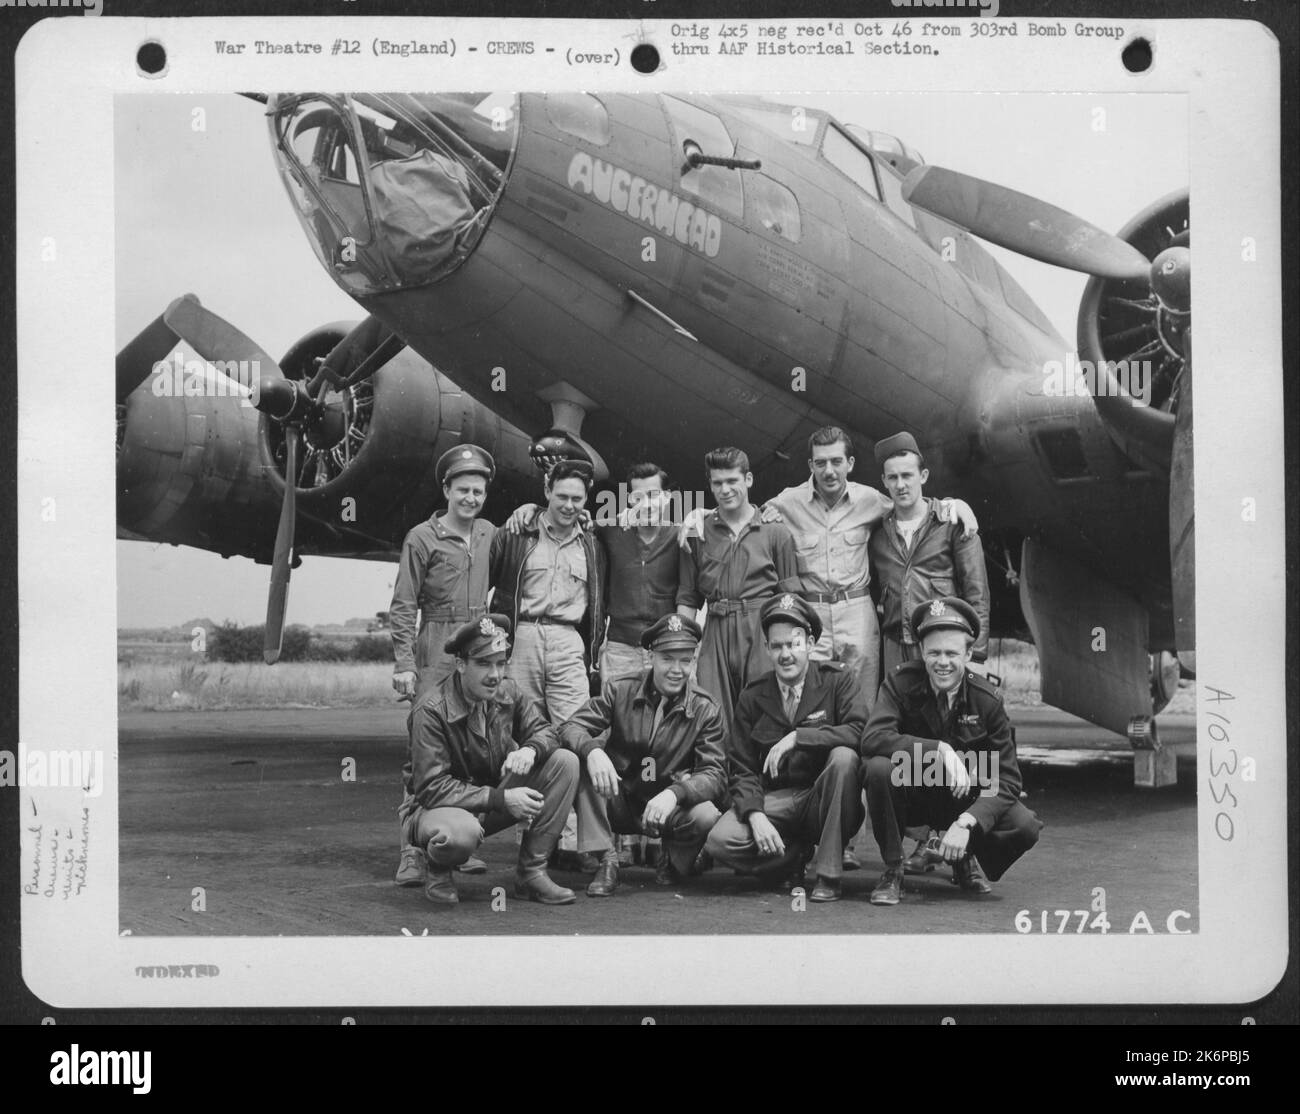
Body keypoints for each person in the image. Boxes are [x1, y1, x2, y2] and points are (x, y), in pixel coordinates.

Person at [860, 597, 1042, 906]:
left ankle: (964, 856)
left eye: (951, 653)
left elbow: (1008, 780)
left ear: (969, 653)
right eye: (934, 652)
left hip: (962, 799)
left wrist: (967, 822)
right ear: (921, 651)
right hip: (915, 792)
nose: (942, 662)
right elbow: (873, 738)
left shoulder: (987, 700)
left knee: (1023, 825)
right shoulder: (900, 683)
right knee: (878, 768)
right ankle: (893, 869)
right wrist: (939, 749)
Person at [405, 614, 581, 906]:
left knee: (565, 762)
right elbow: (431, 788)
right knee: (462, 833)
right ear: (461, 664)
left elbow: (548, 731)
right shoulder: (431, 711)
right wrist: (502, 798)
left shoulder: (507, 692)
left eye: (501, 663)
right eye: (484, 663)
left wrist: (531, 749)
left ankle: (532, 873)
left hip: (489, 799)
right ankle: (438, 868)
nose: (495, 675)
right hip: (434, 810)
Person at [705, 594, 866, 902]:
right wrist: (755, 816)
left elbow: (860, 732)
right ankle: (792, 856)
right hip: (775, 801)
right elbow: (741, 768)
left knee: (844, 758)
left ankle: (828, 874)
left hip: (825, 802)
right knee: (719, 840)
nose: (786, 654)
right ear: (766, 649)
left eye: (794, 644)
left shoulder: (838, 680)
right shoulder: (753, 696)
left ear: (811, 643)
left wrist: (800, 737)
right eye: (777, 646)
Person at [489, 459, 607, 868]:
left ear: (587, 499)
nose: (569, 505)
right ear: (546, 491)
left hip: (567, 638)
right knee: (525, 739)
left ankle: (573, 843)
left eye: (577, 498)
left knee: (576, 733)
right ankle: (533, 840)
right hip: (522, 635)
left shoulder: (592, 541)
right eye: (562, 496)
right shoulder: (520, 531)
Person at [390, 444, 497, 887]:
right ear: (447, 489)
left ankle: (459, 842)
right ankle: (412, 850)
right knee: (423, 751)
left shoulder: (491, 532)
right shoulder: (421, 537)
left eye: (478, 491)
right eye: (463, 489)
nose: (470, 498)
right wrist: (404, 663)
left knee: (467, 745)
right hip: (435, 646)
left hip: (473, 646)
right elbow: (402, 605)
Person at [559, 613, 726, 895]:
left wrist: (676, 793)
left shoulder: (706, 708)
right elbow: (570, 727)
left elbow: (715, 773)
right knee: (581, 762)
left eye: (685, 660)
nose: (676, 669)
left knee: (706, 814)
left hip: (668, 805)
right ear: (651, 657)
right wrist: (592, 751)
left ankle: (673, 860)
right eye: (667, 659)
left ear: (694, 662)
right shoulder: (620, 689)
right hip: (620, 796)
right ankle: (606, 860)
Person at [677, 447, 802, 736]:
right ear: (709, 485)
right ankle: (720, 780)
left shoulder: (775, 532)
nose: (725, 489)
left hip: (761, 630)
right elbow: (687, 598)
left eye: (732, 480)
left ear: (748, 479)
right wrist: (685, 649)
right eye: (717, 483)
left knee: (765, 712)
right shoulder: (697, 531)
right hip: (716, 631)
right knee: (712, 714)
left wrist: (787, 648)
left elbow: (790, 600)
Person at [869, 432, 990, 677]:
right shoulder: (878, 534)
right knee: (899, 713)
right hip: (895, 649)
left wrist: (975, 653)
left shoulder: (952, 524)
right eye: (893, 477)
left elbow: (977, 592)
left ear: (923, 476)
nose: (900, 485)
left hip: (942, 644)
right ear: (884, 481)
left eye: (907, 475)